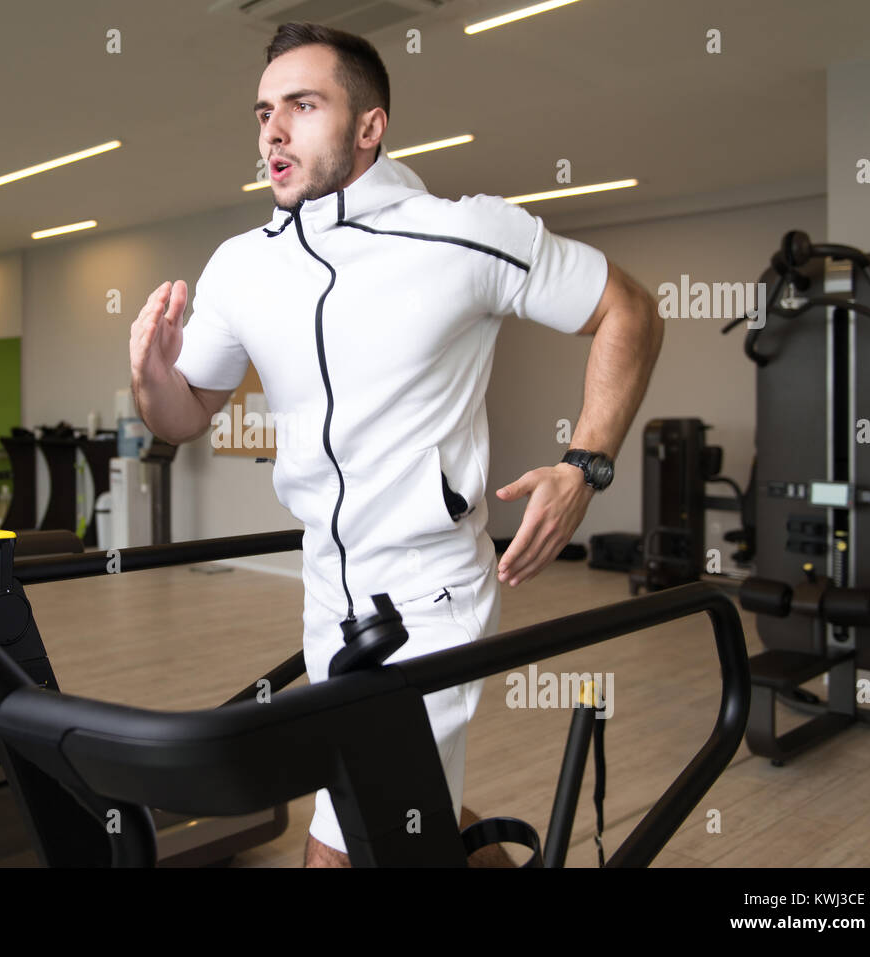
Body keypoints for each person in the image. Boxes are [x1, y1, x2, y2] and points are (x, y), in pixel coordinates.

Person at [129, 21, 663, 868]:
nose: (274, 129)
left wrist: (585, 464)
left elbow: (627, 310)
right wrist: (152, 378)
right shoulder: (241, 266)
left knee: (337, 847)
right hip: (322, 587)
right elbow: (185, 414)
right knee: (411, 805)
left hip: (429, 594)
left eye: (303, 105)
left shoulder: (462, 235)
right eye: (264, 111)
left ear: (370, 126)